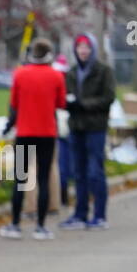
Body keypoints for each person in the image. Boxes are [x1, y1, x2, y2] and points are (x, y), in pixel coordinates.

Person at [0, 38, 66, 240]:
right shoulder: (56, 76)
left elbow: (14, 105)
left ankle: (15, 224)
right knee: (43, 179)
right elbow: (61, 103)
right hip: (47, 133)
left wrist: (8, 127)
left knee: (20, 180)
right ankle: (41, 226)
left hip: (25, 133)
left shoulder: (20, 74)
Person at [58, 33, 116, 230]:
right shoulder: (72, 72)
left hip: (95, 128)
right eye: (80, 47)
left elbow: (108, 97)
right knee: (79, 172)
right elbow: (66, 95)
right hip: (76, 127)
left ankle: (100, 215)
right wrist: (69, 103)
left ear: (93, 49)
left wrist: (85, 105)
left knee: (95, 172)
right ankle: (80, 213)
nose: (83, 51)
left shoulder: (103, 71)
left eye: (87, 47)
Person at [53, 53, 74, 206]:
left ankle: (61, 196)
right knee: (63, 163)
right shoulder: (68, 81)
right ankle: (62, 197)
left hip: (58, 128)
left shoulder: (59, 81)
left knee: (61, 164)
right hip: (63, 127)